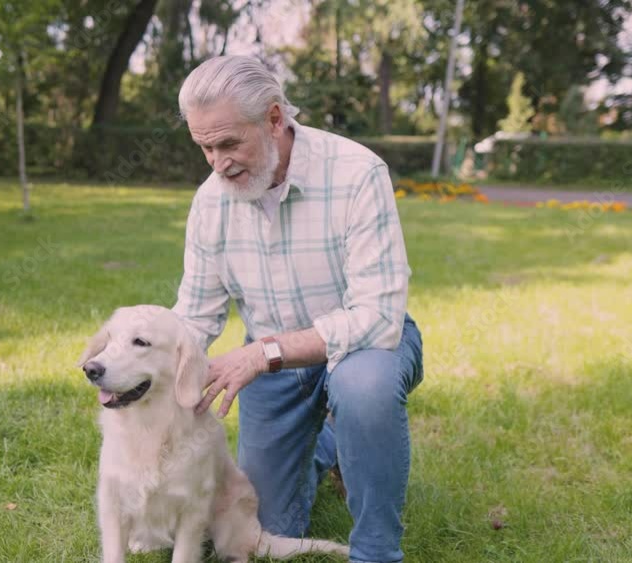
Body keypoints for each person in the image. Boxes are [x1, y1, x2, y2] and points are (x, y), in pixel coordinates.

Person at [171, 55, 424, 563]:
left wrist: (265, 352)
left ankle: (375, 550)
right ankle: (330, 445)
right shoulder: (211, 202)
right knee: (259, 535)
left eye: (227, 143)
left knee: (363, 388)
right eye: (204, 147)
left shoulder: (357, 172)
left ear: (273, 118)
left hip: (364, 347)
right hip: (272, 365)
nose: (218, 162)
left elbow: (377, 314)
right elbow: (196, 315)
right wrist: (146, 365)